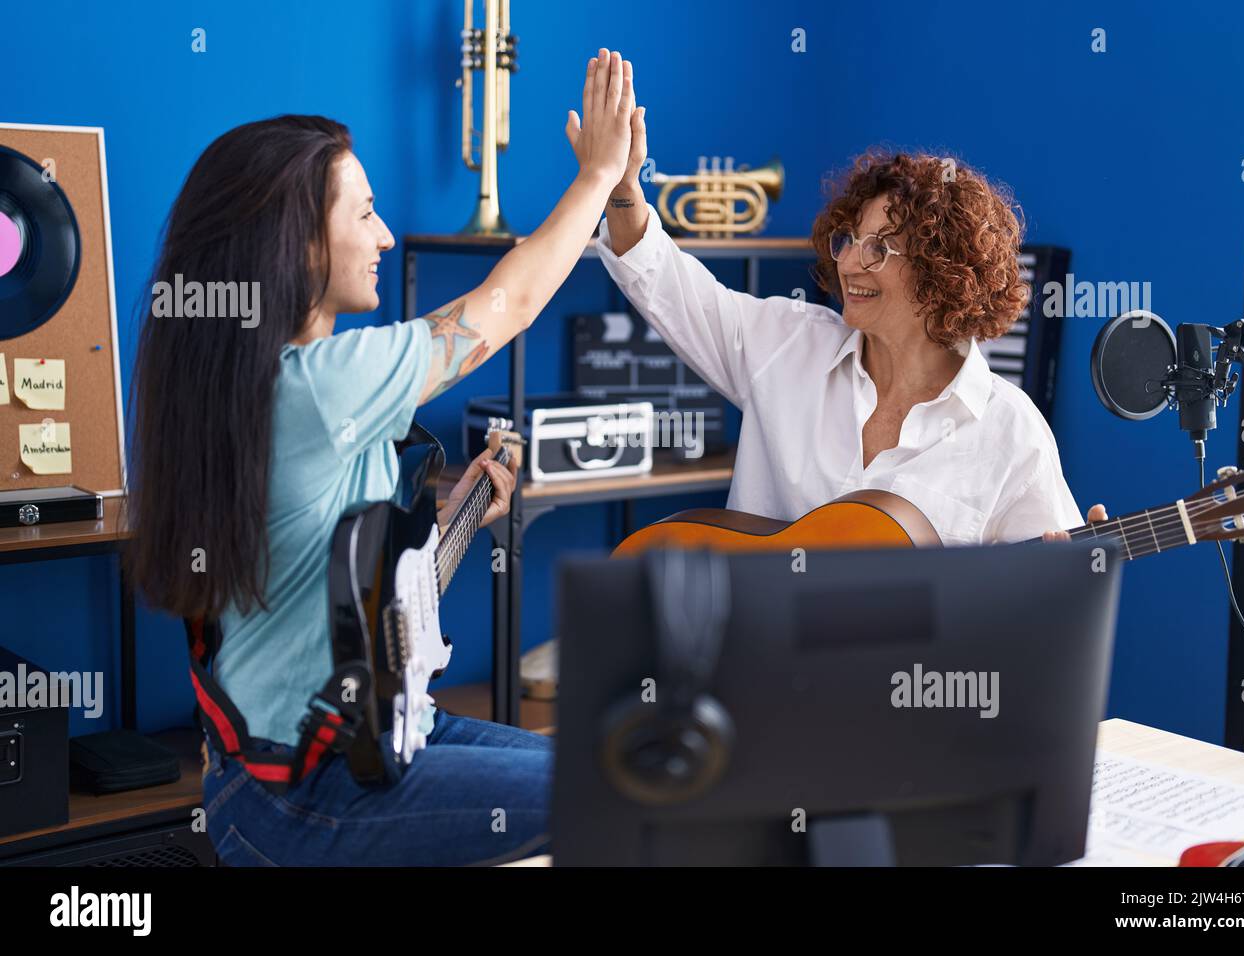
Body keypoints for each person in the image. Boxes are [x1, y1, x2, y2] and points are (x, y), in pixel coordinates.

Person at [126, 49, 635, 865]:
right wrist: (600, 175)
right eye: (363, 215)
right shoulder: (324, 387)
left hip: (302, 766)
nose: (386, 236)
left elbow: (347, 613)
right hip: (303, 796)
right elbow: (508, 304)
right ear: (294, 243)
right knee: (623, 791)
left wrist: (448, 519)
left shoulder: (241, 385)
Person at [594, 93, 1104, 545]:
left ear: (941, 275)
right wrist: (619, 185)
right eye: (850, 240)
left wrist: (1071, 577)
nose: (849, 261)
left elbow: (1039, 603)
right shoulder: (786, 344)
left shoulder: (1011, 430)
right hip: (753, 650)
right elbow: (662, 281)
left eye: (879, 249)